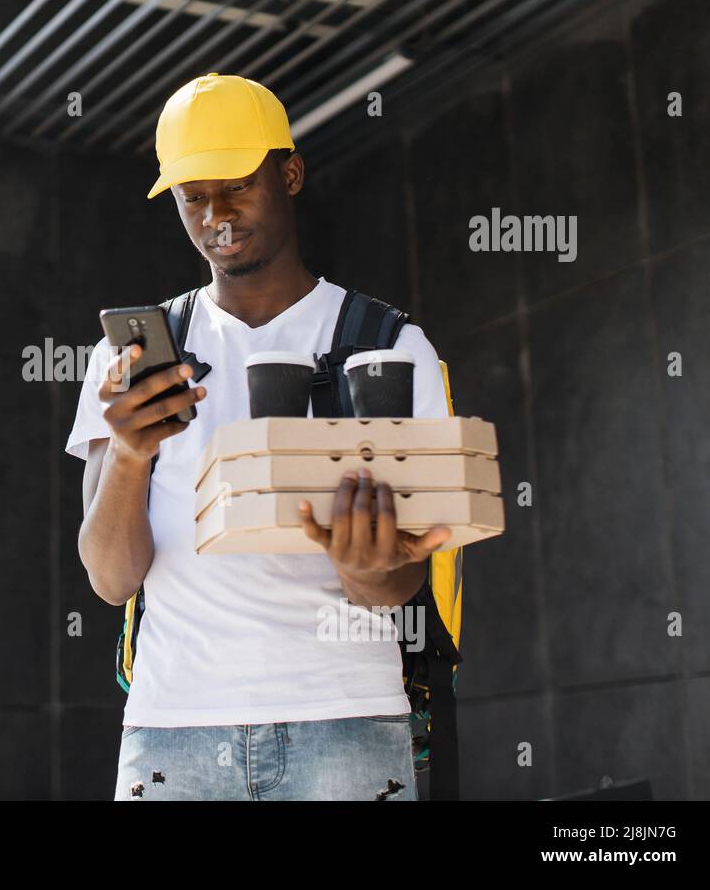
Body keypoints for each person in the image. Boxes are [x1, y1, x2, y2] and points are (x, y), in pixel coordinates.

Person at [65, 74, 453, 801]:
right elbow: (111, 578)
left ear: (291, 173)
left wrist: (362, 564)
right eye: (193, 196)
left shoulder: (387, 348)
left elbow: (400, 584)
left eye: (237, 186)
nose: (216, 214)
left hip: (345, 725)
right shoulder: (135, 361)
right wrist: (127, 454)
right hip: (171, 734)